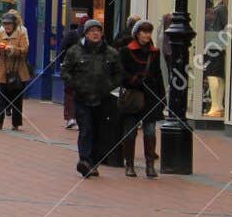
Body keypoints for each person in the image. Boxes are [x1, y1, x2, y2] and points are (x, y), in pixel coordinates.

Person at [60, 19, 122, 178]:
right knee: (86, 129)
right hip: (82, 98)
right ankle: (85, 161)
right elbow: (65, 72)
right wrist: (76, 85)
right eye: (91, 31)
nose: (95, 33)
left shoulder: (111, 53)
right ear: (85, 34)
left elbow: (119, 74)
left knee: (101, 131)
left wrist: (109, 86)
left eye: (98, 31)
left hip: (103, 99)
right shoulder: (74, 51)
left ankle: (93, 162)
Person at [117, 19, 164, 179]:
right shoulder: (126, 51)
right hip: (133, 96)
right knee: (130, 132)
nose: (147, 34)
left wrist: (162, 96)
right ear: (136, 33)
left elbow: (158, 75)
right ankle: (129, 164)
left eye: (149, 31)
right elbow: (121, 74)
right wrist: (134, 81)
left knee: (150, 131)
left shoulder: (155, 52)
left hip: (150, 96)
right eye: (144, 31)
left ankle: (150, 165)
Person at [0, 10, 30, 130]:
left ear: (14, 24)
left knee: (16, 99)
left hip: (18, 71)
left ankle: (15, 124)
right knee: (1, 97)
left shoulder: (21, 34)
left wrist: (12, 49)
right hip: (2, 70)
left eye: (9, 24)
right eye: (5, 24)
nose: (6, 26)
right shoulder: (1, 34)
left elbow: (24, 50)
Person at [58, 11, 88, 129]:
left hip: (71, 68)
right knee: (80, 94)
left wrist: (62, 63)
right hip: (83, 70)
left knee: (69, 93)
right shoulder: (90, 37)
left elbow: (61, 49)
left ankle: (70, 118)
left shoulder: (71, 34)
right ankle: (79, 119)